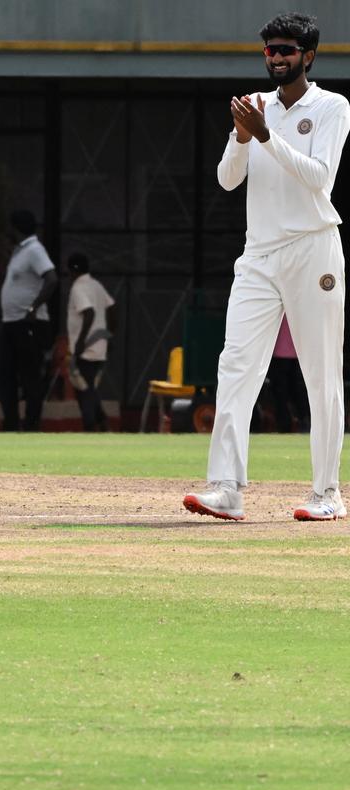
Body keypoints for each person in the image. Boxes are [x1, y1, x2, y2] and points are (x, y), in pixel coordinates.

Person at [184, 12, 350, 522]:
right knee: (236, 365)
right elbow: (227, 180)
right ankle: (226, 488)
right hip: (259, 255)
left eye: (285, 50)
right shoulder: (255, 108)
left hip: (312, 247)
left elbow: (319, 178)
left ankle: (327, 494)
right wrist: (240, 136)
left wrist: (265, 137)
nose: (276, 58)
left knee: (320, 373)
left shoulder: (331, 107)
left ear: (308, 56)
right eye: (269, 51)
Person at [0, 210, 58, 432]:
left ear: (16, 228)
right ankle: (11, 422)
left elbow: (51, 278)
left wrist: (34, 307)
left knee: (30, 374)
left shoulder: (34, 249)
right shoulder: (20, 251)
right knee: (6, 373)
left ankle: (31, 424)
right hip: (12, 322)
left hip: (28, 323)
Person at [64, 253, 115, 432]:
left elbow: (89, 312)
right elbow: (111, 307)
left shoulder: (78, 288)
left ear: (72, 271)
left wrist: (79, 342)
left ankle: (91, 425)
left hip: (85, 348)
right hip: (100, 346)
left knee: (84, 389)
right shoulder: (96, 285)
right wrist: (110, 334)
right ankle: (102, 422)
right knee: (88, 387)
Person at [267, 316, 310, 432]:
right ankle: (302, 421)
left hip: (282, 355)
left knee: (282, 392)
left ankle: (287, 425)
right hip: (294, 354)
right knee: (296, 391)